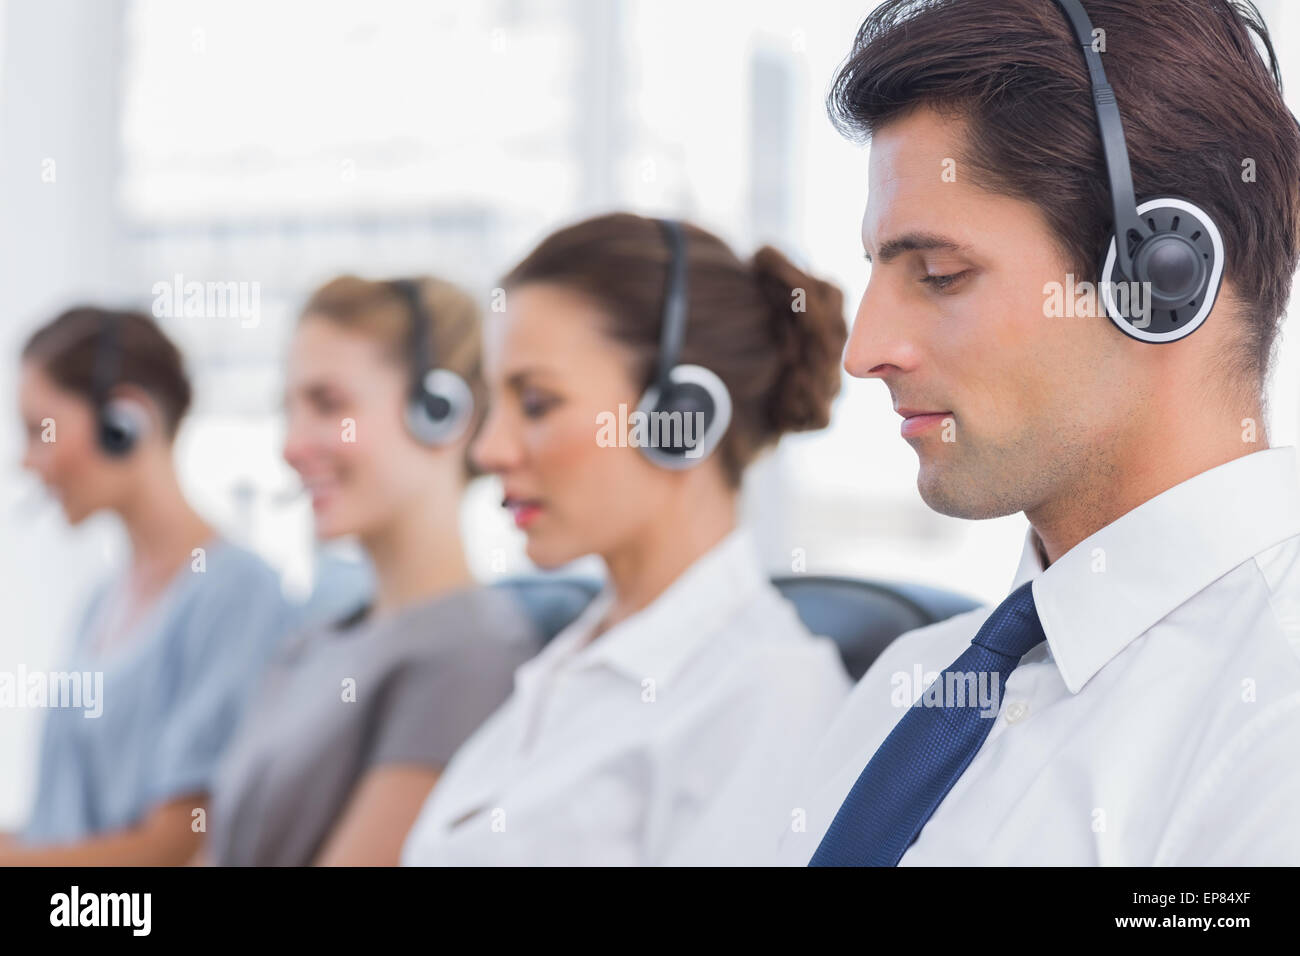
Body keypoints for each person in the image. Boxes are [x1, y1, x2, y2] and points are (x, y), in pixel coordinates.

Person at [778, 0, 1300, 866]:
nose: (864, 353)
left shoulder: (1273, 716)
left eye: (941, 275)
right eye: (878, 271)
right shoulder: (905, 687)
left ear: (1163, 277)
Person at [401, 212, 853, 867]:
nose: (488, 449)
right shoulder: (573, 660)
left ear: (679, 416)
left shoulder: (765, 694)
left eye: (536, 404)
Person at [202, 276, 541, 866]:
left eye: (328, 404)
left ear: (440, 413)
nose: (290, 445)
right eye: (289, 409)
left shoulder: (467, 652)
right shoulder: (317, 639)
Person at [3, 307, 292, 865]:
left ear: (124, 421)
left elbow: (175, 847)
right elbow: (55, 835)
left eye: (40, 429)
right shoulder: (101, 603)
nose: (27, 461)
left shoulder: (235, 591)